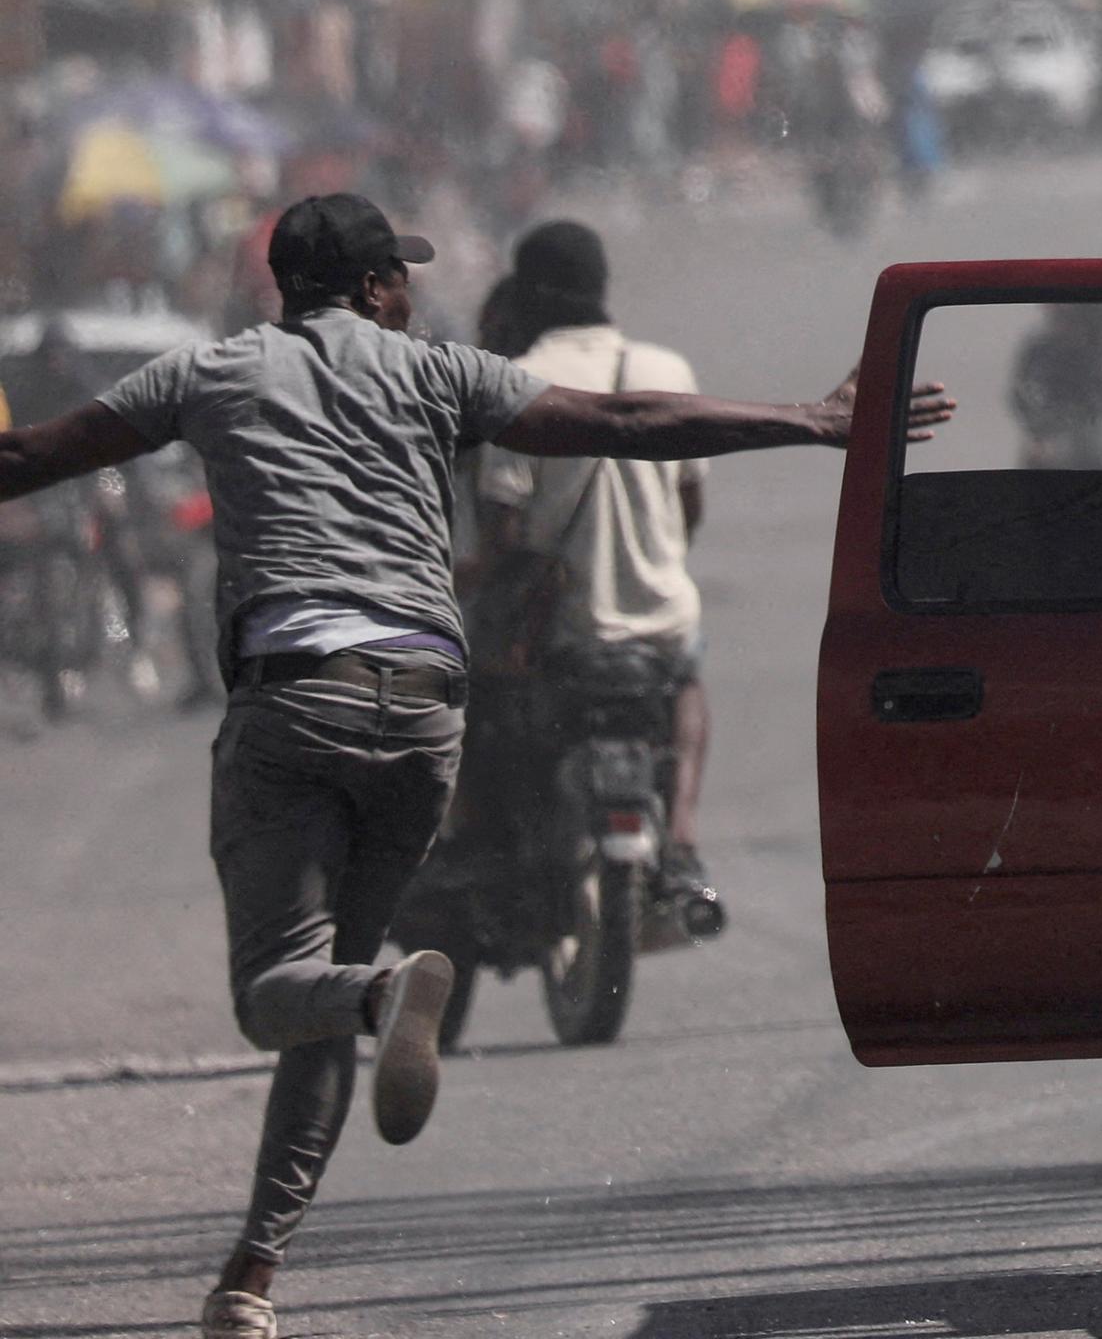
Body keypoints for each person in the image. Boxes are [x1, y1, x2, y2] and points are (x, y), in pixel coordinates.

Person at [0, 192, 947, 1339]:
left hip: (297, 706)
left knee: (279, 993)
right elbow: (627, 419)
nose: (412, 291)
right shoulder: (436, 372)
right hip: (424, 714)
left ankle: (388, 996)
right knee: (326, 985)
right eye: (400, 275)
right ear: (369, 289)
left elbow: (32, 455)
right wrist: (807, 419)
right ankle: (251, 1275)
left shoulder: (211, 373)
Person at [464, 220, 720, 911]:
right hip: (660, 623)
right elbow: (689, 505)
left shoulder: (515, 381)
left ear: (526, 293)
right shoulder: (668, 371)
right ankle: (686, 837)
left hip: (564, 632)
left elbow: (503, 529)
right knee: (688, 679)